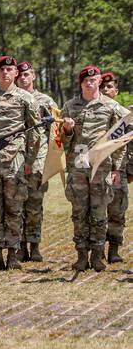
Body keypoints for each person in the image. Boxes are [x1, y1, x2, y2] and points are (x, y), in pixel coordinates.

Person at [0, 55, 39, 271]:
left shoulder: (25, 98)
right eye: (1, 69)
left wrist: (30, 159)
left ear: (16, 74)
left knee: (14, 207)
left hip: (15, 161)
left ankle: (12, 255)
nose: (5, 72)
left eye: (10, 69)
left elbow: (35, 132)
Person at [61, 66, 126, 272]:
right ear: (81, 83)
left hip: (102, 166)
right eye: (86, 81)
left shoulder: (112, 106)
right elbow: (61, 140)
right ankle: (81, 255)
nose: (90, 83)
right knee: (79, 212)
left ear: (99, 82)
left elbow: (120, 140)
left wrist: (116, 168)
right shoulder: (70, 106)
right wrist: (68, 130)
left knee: (99, 212)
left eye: (94, 80)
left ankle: (97, 255)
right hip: (79, 163)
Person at [17, 61, 59, 262]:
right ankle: (19, 247)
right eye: (20, 75)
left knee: (34, 206)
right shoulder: (12, 99)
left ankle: (34, 247)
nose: (23, 78)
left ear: (33, 76)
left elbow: (56, 135)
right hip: (14, 159)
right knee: (15, 205)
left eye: (27, 74)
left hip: (37, 161)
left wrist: (54, 161)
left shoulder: (46, 101)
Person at [99, 72, 127, 263]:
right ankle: (98, 249)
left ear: (116, 91)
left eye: (109, 87)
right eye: (103, 87)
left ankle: (114, 250)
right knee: (98, 211)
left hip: (120, 170)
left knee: (117, 211)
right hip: (99, 168)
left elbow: (128, 145)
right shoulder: (93, 113)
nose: (105, 90)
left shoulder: (126, 114)